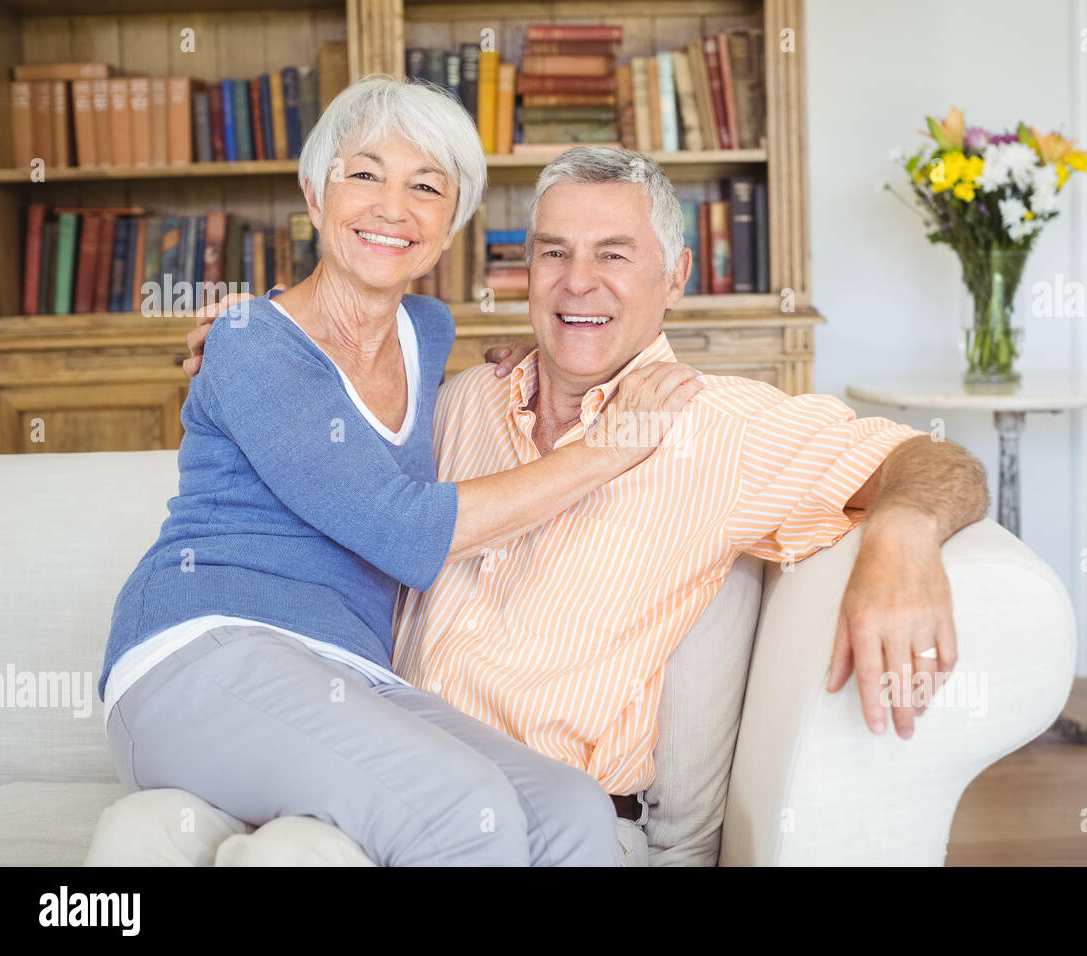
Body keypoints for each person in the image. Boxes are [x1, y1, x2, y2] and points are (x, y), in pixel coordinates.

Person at [103, 146, 989, 867]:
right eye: (553, 253)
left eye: (614, 254)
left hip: (545, 820)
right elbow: (336, 394)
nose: (578, 283)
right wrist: (260, 334)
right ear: (523, 271)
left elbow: (934, 460)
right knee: (246, 851)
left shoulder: (722, 427)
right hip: (368, 768)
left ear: (674, 276)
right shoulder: (456, 405)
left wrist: (903, 535)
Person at [97, 81, 703, 868]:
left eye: (426, 186)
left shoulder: (428, 330)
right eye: (365, 175)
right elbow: (403, 527)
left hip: (350, 674)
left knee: (570, 810)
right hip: (198, 657)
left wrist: (537, 362)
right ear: (315, 195)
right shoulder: (247, 339)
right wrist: (607, 447)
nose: (393, 206)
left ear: (450, 224)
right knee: (464, 809)